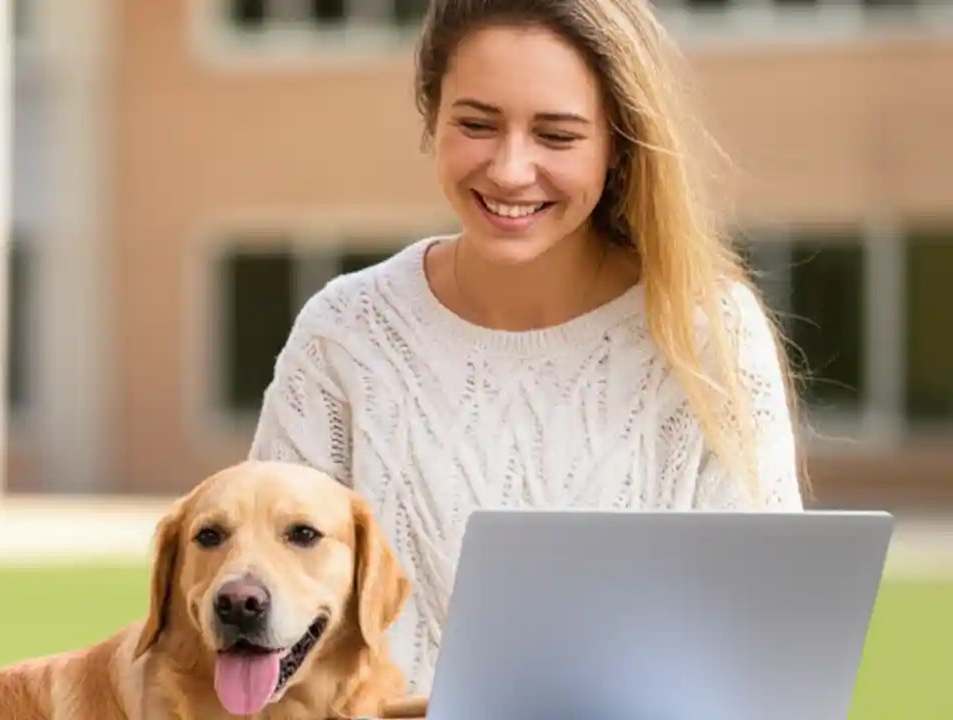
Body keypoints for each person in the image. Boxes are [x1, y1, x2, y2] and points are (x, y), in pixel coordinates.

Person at [247, 0, 806, 696]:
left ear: (619, 144)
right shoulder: (347, 334)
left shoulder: (707, 333)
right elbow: (261, 615)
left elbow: (763, 643)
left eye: (558, 136)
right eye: (477, 125)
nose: (510, 170)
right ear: (432, 119)